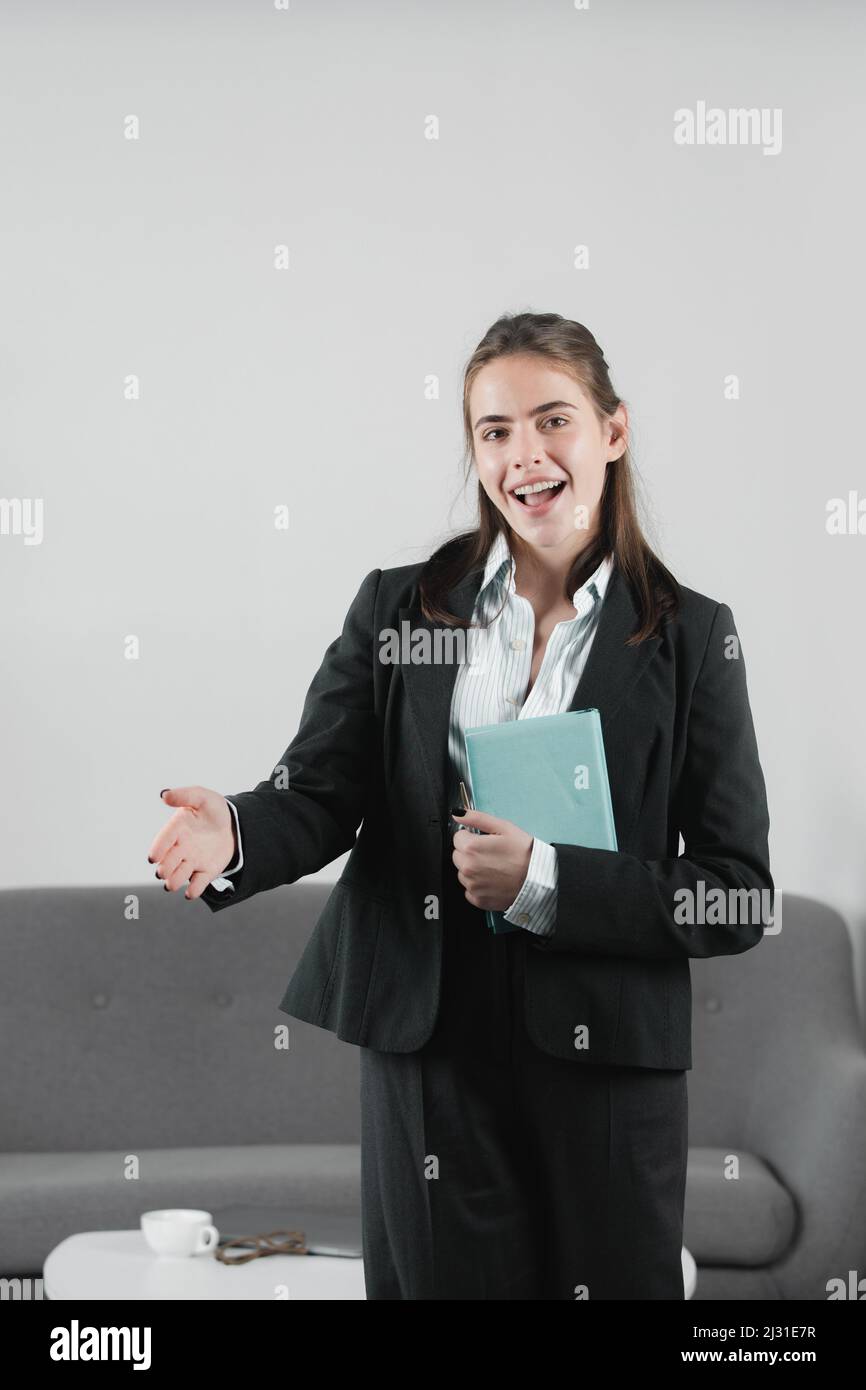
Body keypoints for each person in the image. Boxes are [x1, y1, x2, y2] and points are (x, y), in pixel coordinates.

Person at [147, 310, 773, 1300]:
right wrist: (233, 826)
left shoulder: (692, 636)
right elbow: (316, 790)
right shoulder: (401, 609)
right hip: (428, 1045)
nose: (523, 452)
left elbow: (736, 894)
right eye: (493, 429)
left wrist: (546, 882)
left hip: (608, 1055)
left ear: (611, 430)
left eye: (551, 419)